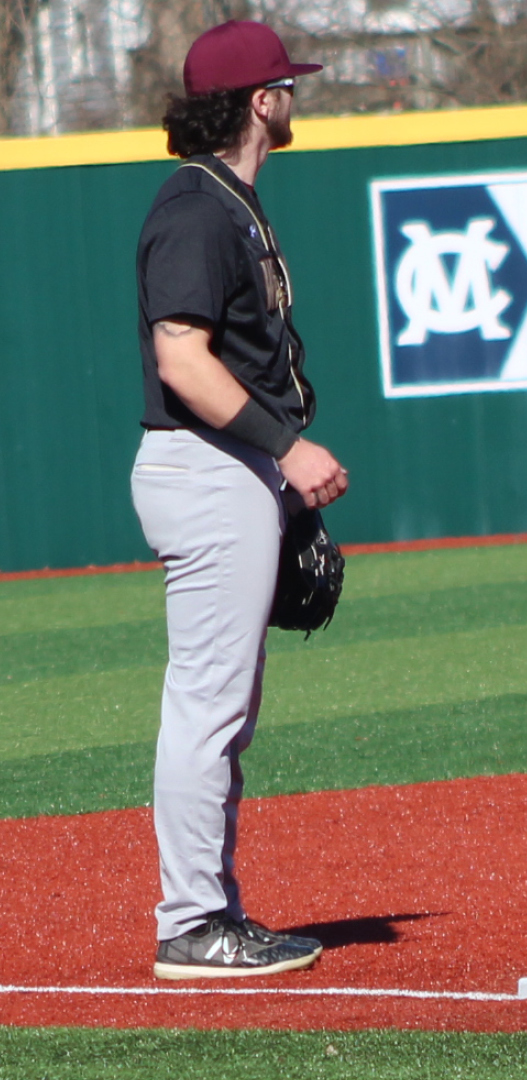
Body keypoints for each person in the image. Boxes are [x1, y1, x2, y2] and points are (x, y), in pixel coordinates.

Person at [131, 20, 347, 979]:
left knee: (227, 711)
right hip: (206, 467)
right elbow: (182, 358)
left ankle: (214, 911)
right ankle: (192, 922)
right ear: (262, 102)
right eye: (285, 87)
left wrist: (282, 485)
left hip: (234, 471)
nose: (294, 98)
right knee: (208, 710)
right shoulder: (196, 209)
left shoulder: (231, 203)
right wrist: (286, 450)